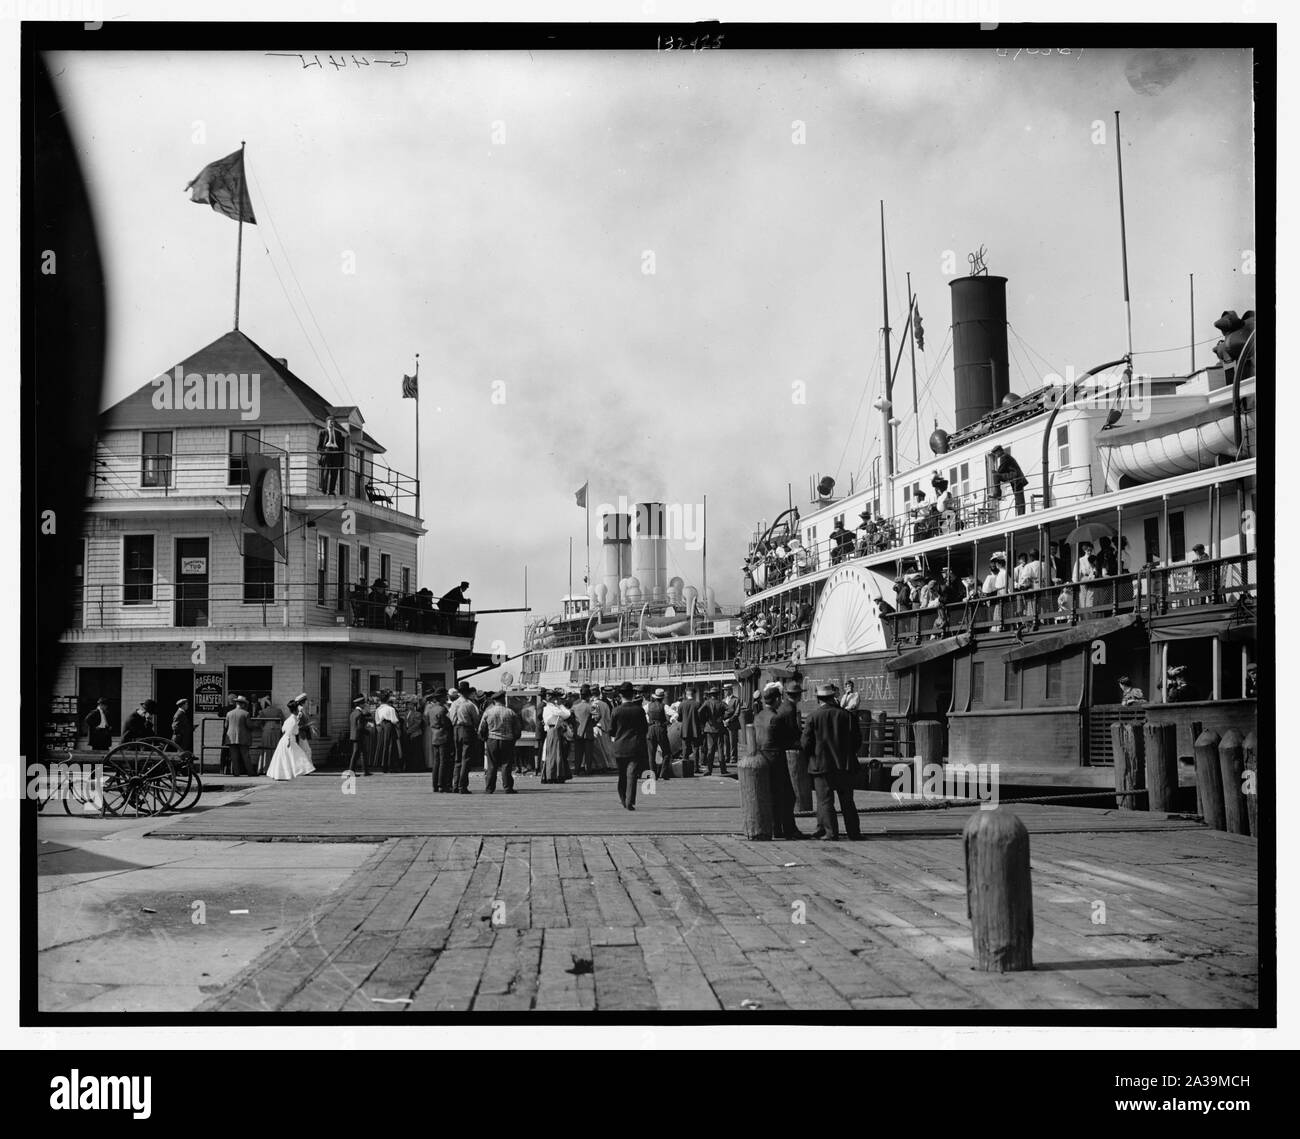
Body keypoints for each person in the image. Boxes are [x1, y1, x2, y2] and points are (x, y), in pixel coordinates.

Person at [800, 682, 862, 841]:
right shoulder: (848, 716)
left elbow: (805, 744)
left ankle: (830, 832)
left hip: (821, 766)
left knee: (825, 801)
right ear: (833, 697)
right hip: (845, 765)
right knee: (847, 801)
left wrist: (812, 757)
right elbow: (857, 741)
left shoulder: (813, 717)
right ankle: (854, 833)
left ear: (818, 699)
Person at [756, 683, 805, 839]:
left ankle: (776, 828)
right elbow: (785, 740)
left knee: (773, 795)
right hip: (776, 759)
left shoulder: (759, 716)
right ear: (777, 699)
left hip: (762, 758)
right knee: (788, 796)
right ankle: (789, 829)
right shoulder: (775, 718)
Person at [610, 681, 649, 811]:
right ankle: (629, 800)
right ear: (632, 695)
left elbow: (612, 730)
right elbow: (644, 729)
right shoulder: (639, 710)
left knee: (622, 774)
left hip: (620, 746)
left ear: (620, 695)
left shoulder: (616, 711)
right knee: (632, 773)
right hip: (635, 746)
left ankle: (623, 798)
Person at [479, 692, 522, 794]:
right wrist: (514, 739)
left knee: (491, 765)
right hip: (507, 741)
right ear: (503, 699)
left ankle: (489, 788)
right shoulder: (510, 712)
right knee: (506, 764)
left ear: (494, 701)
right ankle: (508, 787)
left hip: (492, 740)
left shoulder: (488, 712)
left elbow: (481, 729)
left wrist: (485, 738)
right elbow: (517, 729)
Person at [266, 699, 315, 780]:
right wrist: (289, 739)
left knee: (288, 757)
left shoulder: (291, 719)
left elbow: (284, 729)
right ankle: (289, 773)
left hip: (287, 739)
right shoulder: (292, 720)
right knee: (296, 755)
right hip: (289, 740)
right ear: (295, 710)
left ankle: (287, 773)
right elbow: (291, 731)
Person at [448, 684, 480, 791]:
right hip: (466, 730)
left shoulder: (454, 704)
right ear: (467, 692)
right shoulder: (469, 704)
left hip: (456, 730)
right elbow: (476, 720)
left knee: (457, 758)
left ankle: (455, 785)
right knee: (466, 758)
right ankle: (462, 785)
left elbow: (451, 718)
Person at [539, 689, 572, 784]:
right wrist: (561, 706)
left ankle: (553, 775)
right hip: (554, 730)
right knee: (555, 753)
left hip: (553, 730)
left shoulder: (551, 707)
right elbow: (566, 714)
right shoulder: (552, 708)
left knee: (553, 753)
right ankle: (554, 775)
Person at [425, 689, 452, 790]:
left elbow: (428, 722)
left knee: (436, 762)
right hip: (443, 736)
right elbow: (447, 723)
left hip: (434, 735)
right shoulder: (442, 710)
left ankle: (435, 784)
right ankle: (442, 784)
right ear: (441, 698)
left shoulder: (431, 709)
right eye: (445, 697)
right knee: (443, 761)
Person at [990, 444, 1027, 516]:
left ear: (999, 451)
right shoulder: (1007, 456)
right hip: (1016, 478)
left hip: (1015, 477)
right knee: (1018, 497)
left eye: (996, 453)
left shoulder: (1004, 457)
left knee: (996, 476)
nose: (996, 455)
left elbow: (1001, 470)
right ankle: (1021, 514)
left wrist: (995, 472)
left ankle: (997, 493)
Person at [676, 685, 706, 775]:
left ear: (686, 694)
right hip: (695, 730)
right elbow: (701, 718)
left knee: (685, 749)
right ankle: (696, 768)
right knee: (696, 749)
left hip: (685, 730)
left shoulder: (682, 704)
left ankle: (684, 769)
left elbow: (679, 718)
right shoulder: (698, 704)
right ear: (694, 694)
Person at [645, 688, 673, 780]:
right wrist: (670, 721)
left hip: (651, 729)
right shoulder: (664, 706)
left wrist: (647, 721)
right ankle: (663, 773)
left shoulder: (648, 706)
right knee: (666, 752)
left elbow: (643, 713)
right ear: (662, 698)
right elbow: (675, 714)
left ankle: (653, 774)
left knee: (651, 753)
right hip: (661, 729)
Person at [700, 687, 727, 776]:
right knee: (720, 749)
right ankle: (723, 769)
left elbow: (699, 711)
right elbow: (730, 710)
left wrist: (705, 720)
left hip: (709, 728)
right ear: (718, 695)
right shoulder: (721, 703)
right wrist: (722, 717)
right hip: (719, 728)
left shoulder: (707, 703)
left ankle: (709, 770)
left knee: (710, 750)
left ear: (710, 695)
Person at [316, 414, 346, 494]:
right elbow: (319, 447)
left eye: (333, 422)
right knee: (325, 472)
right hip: (327, 452)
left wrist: (340, 457)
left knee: (334, 473)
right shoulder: (322, 432)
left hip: (336, 453)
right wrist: (324, 452)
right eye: (330, 422)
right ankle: (324, 489)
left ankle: (332, 490)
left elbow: (341, 448)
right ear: (327, 422)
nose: (332, 423)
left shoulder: (338, 433)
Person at [570, 685, 595, 775]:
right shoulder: (590, 707)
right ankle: (588, 770)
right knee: (588, 754)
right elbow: (597, 716)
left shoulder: (575, 707)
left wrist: (574, 725)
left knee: (578, 753)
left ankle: (577, 770)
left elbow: (570, 717)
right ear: (589, 696)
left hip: (578, 732)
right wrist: (592, 723)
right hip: (588, 733)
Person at [590, 686, 614, 774]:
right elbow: (608, 717)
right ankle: (610, 765)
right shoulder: (604, 704)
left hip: (596, 727)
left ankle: (600, 766)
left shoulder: (593, 704)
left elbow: (594, 717)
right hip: (605, 727)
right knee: (607, 748)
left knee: (598, 750)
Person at [346, 695, 371, 777]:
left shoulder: (353, 713)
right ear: (360, 704)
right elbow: (360, 727)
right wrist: (367, 732)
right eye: (363, 703)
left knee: (363, 753)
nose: (364, 705)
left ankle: (366, 771)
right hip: (359, 736)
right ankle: (351, 772)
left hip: (354, 735)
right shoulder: (360, 714)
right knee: (356, 754)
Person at [402, 698, 425, 774]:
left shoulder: (417, 713)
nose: (408, 706)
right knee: (409, 751)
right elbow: (405, 723)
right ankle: (409, 766)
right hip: (408, 734)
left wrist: (409, 731)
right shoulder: (406, 713)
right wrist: (405, 730)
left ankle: (417, 767)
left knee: (416, 752)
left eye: (410, 704)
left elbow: (417, 724)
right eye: (408, 704)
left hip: (415, 734)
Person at [721, 686, 741, 769]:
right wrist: (723, 720)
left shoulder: (736, 700)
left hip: (733, 723)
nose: (725, 692)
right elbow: (721, 711)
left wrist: (729, 720)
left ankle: (733, 758)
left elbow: (737, 712)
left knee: (733, 742)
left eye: (726, 690)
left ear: (730, 690)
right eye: (724, 690)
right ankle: (727, 757)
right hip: (724, 724)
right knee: (726, 742)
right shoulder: (723, 700)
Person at [1073, 542, 1096, 610]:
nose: (1089, 552)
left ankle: (1090, 612)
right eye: (1088, 550)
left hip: (1092, 580)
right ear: (1084, 550)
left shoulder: (1093, 559)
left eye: (1091, 550)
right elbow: (1076, 573)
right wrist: (1076, 582)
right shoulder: (1081, 560)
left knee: (1091, 599)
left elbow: (1095, 569)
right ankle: (1083, 613)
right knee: (1083, 599)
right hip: (1083, 581)